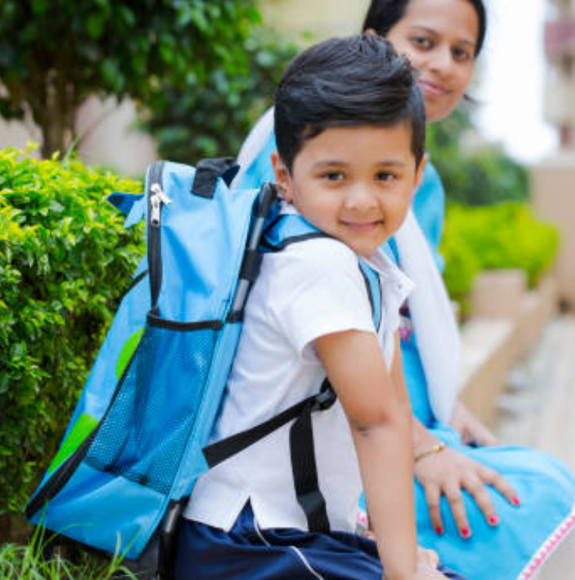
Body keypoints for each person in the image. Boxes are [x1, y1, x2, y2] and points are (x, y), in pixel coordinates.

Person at [234, 1, 575, 579]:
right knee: (539, 512)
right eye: (423, 41)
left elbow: (398, 322)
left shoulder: (424, 191)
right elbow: (338, 370)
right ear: (377, 40)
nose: (442, 66)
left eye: (462, 52)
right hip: (322, 459)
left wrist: (445, 410)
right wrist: (422, 451)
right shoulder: (297, 172)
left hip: (407, 426)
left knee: (543, 492)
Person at [177, 34, 463, 580]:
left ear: (416, 176)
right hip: (250, 541)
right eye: (334, 176)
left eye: (385, 176)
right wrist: (401, 572)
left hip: (265, 533)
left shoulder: (363, 262)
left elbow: (393, 414)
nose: (361, 199)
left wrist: (387, 549)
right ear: (283, 175)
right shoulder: (320, 266)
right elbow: (376, 424)